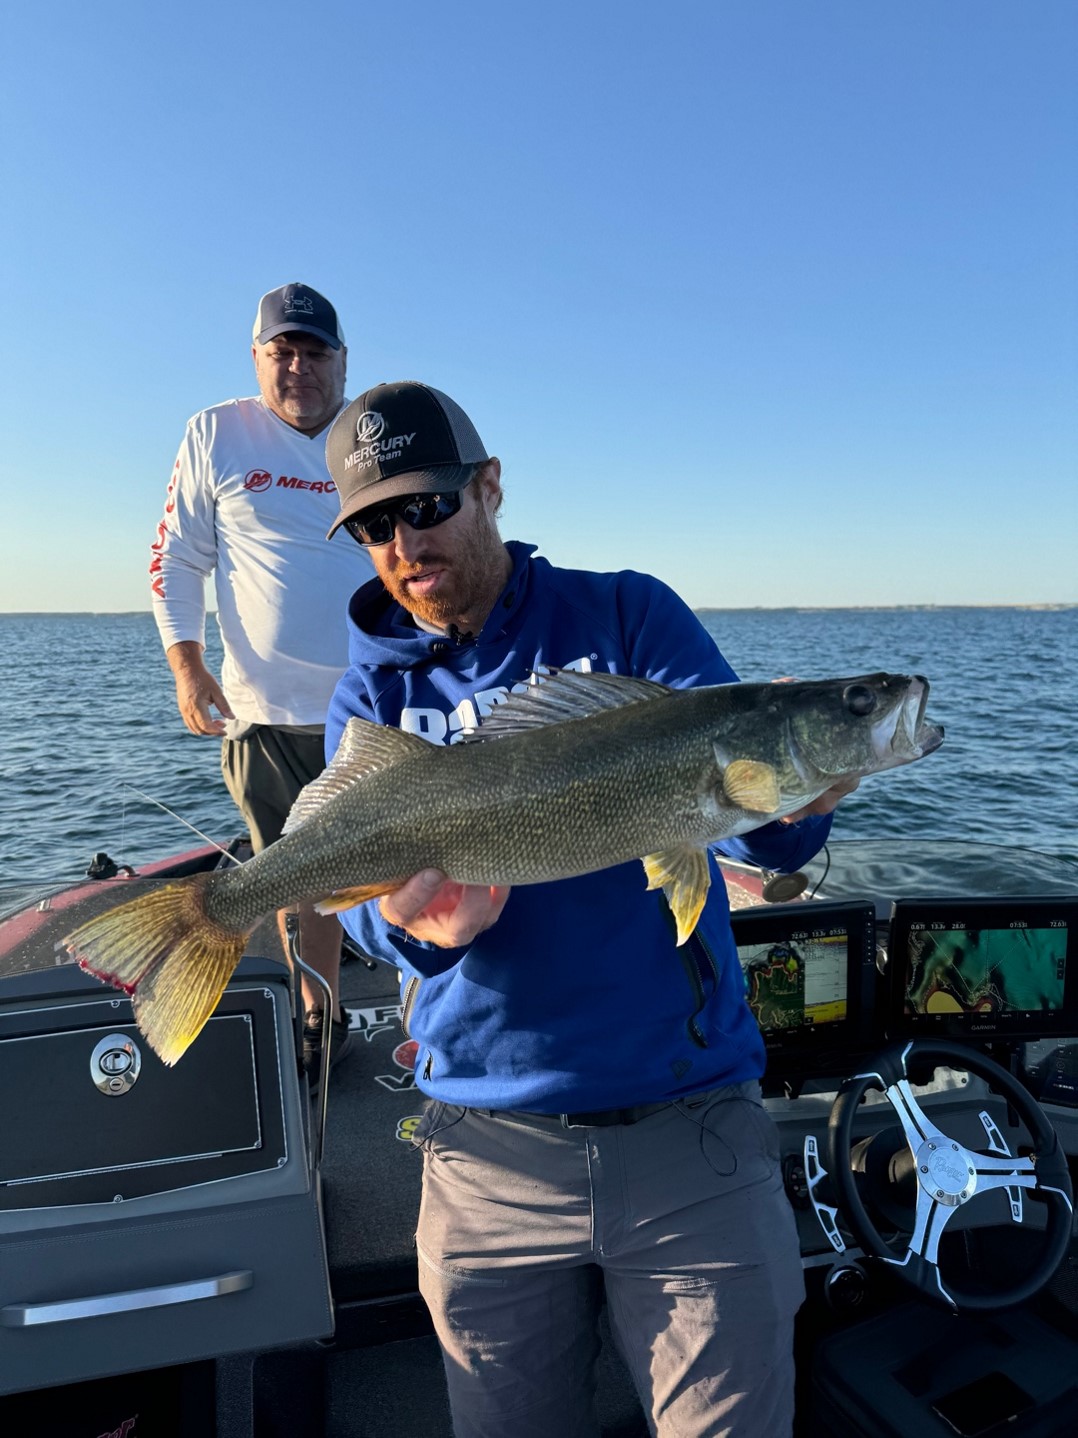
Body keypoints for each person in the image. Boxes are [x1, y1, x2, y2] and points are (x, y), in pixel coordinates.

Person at [321, 381, 856, 1437]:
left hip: (687, 1132)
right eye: (374, 524)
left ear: (488, 487)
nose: (402, 541)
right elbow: (354, 915)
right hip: (484, 1157)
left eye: (424, 506)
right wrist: (411, 930)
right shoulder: (370, 696)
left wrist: (800, 801)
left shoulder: (625, 613)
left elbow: (757, 821)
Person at [149, 282, 374, 1080]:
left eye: (316, 352)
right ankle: (319, 1010)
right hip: (267, 715)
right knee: (290, 872)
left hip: (377, 709)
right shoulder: (217, 433)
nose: (300, 366)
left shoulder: (370, 433)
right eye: (284, 350)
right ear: (257, 358)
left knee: (418, 856)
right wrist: (187, 664)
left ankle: (430, 1004)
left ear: (343, 362)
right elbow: (177, 558)